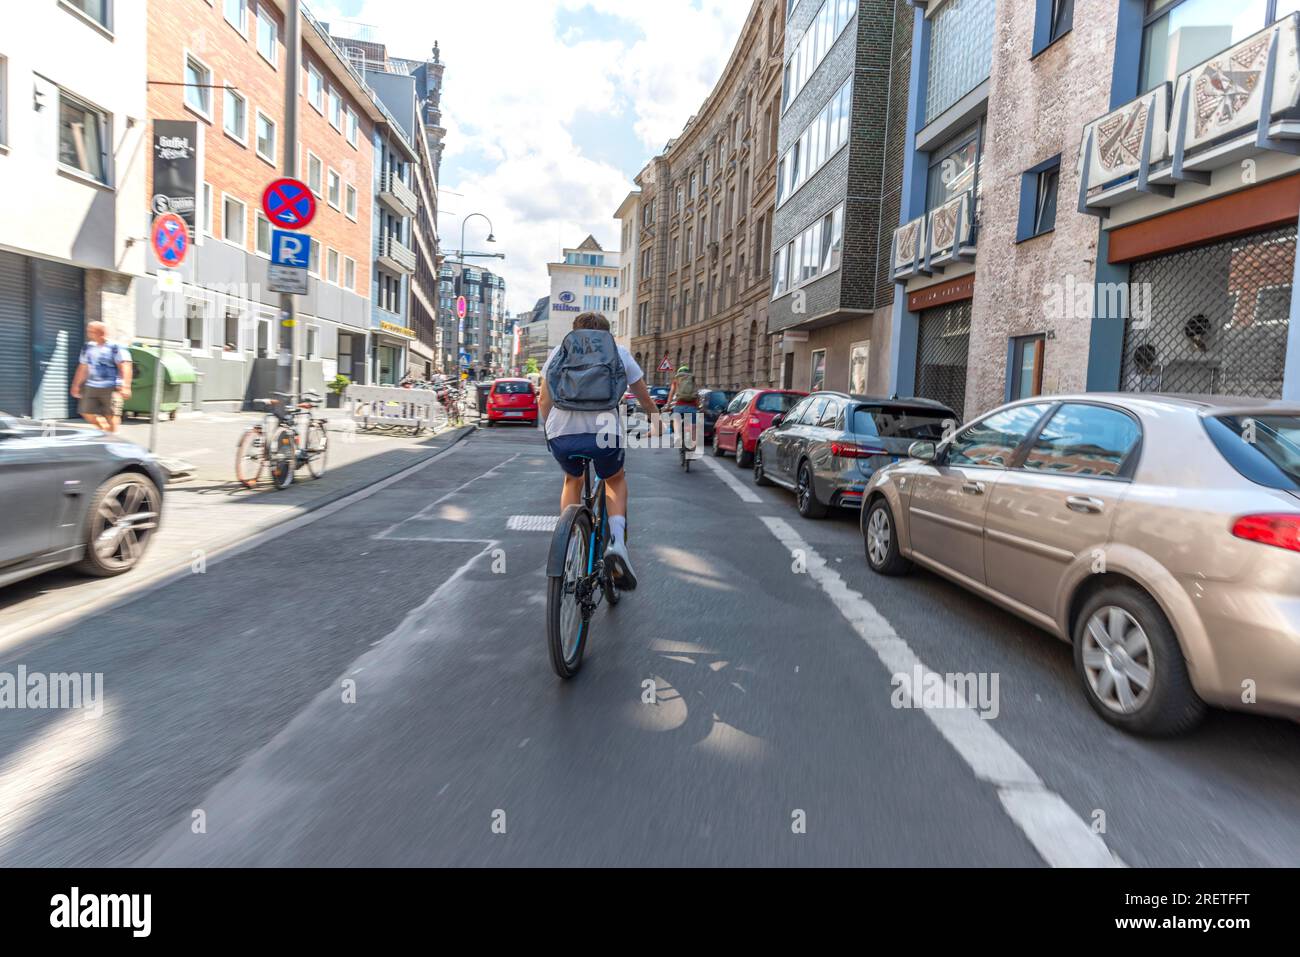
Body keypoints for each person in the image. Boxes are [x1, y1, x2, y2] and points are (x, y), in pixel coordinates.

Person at [538, 312, 657, 589]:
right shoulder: (619, 351)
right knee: (614, 479)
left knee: (573, 479)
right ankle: (617, 543)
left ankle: (570, 542)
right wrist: (656, 420)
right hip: (605, 434)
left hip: (562, 434)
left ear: (575, 332)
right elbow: (643, 396)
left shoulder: (559, 351)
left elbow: (544, 398)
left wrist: (550, 428)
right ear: (607, 334)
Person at [70, 322, 132, 434]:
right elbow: (83, 367)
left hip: (112, 386)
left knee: (111, 414)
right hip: (91, 385)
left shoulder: (116, 347)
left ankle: (113, 437)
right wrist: (75, 385)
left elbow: (125, 366)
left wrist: (126, 386)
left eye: (91, 331)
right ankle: (104, 429)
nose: (89, 334)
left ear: (101, 333)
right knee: (85, 412)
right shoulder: (88, 347)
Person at [665, 365, 699, 449]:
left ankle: (678, 437)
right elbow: (697, 393)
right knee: (693, 424)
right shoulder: (692, 379)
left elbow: (671, 393)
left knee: (676, 420)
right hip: (692, 406)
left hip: (680, 405)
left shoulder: (677, 380)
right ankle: (693, 444)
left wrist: (668, 405)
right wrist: (698, 406)